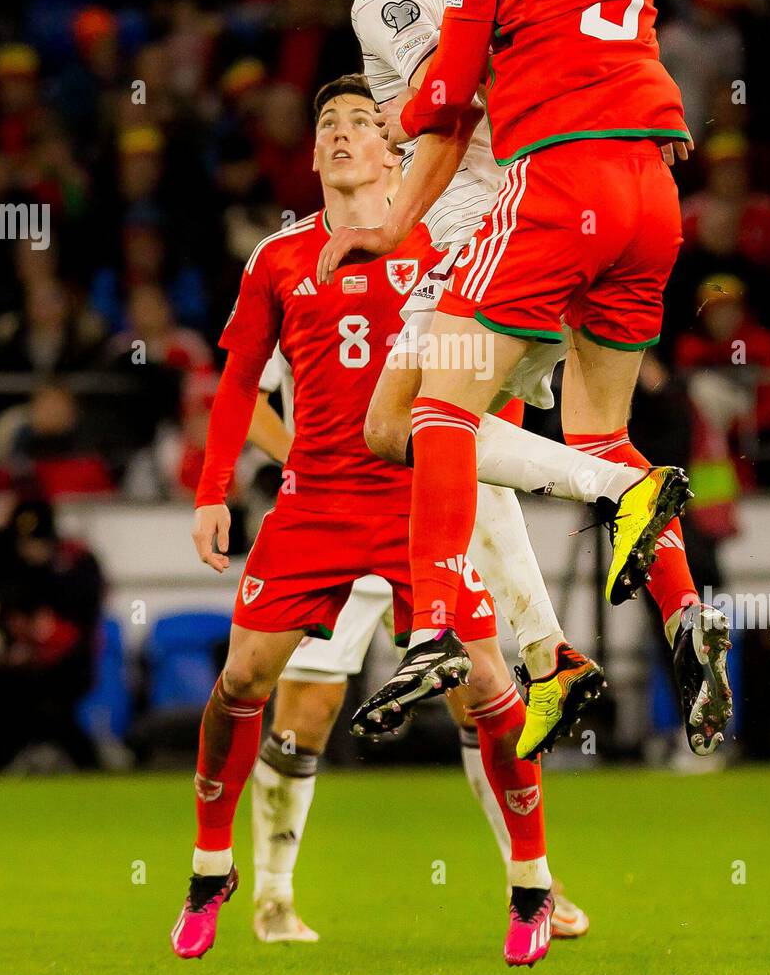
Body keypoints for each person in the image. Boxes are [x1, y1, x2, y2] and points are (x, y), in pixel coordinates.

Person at [317, 0, 731, 755]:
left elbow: (458, 101)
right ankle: (654, 622)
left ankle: (440, 627)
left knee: (419, 420)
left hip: (526, 212)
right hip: (645, 192)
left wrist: (390, 198)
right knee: (559, 436)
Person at [173, 75, 558, 966]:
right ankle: (213, 870)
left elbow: (493, 356)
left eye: (362, 123)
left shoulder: (446, 247)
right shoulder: (278, 256)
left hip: (422, 502)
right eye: (328, 125)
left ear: (396, 152)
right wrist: (211, 491)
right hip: (314, 507)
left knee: (489, 690)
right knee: (243, 684)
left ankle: (533, 885)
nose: (344, 134)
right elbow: (237, 381)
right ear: (311, 153)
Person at [242, 350, 588, 942]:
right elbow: (245, 396)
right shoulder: (298, 266)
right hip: (339, 517)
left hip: (431, 516)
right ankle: (273, 896)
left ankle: (531, 881)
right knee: (306, 715)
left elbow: (494, 378)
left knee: (481, 692)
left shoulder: (439, 276)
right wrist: (304, 460)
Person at [0, 493, 103, 769]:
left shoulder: (76, 562)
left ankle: (88, 764)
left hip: (65, 666)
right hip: (17, 667)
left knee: (46, 710)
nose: (30, 550)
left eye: (37, 543)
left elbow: (84, 622)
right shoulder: (10, 559)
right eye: (24, 543)